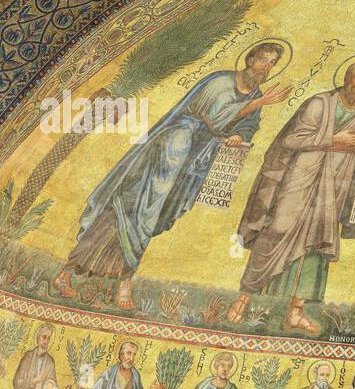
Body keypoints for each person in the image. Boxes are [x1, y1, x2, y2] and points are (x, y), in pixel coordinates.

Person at [54, 42, 291, 309]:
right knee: (129, 211)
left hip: (192, 165)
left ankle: (121, 280)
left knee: (154, 218)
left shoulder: (256, 95)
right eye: (262, 59)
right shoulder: (220, 81)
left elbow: (248, 125)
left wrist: (240, 134)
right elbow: (213, 118)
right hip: (168, 153)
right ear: (249, 59)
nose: (266, 67)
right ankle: (72, 275)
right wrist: (255, 104)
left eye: (272, 63)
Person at [227, 58, 355, 334]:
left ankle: (295, 313)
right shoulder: (319, 103)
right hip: (301, 177)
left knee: (316, 247)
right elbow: (292, 139)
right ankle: (244, 296)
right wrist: (332, 140)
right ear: (347, 76)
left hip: (334, 184)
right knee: (277, 230)